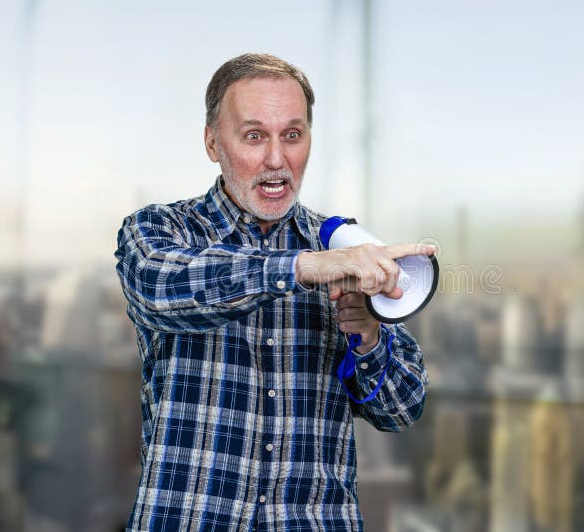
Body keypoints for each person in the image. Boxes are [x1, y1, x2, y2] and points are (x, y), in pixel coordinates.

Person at [114, 53, 434, 531]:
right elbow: (160, 286)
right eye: (254, 136)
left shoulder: (341, 248)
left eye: (292, 135)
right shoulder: (161, 229)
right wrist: (304, 267)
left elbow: (403, 408)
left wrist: (369, 335)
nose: (276, 160)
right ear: (212, 143)